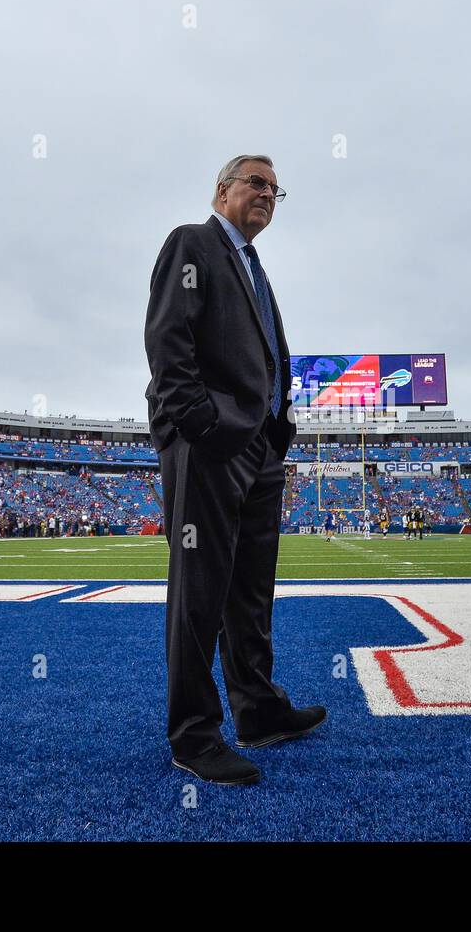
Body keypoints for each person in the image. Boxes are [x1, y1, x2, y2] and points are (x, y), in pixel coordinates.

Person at [144, 153, 325, 786]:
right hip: (211, 442)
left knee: (250, 589)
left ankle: (257, 707)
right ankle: (194, 734)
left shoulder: (253, 266)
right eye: (257, 183)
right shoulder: (192, 243)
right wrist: (202, 425)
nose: (268, 195)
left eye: (277, 190)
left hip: (260, 446)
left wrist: (275, 432)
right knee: (200, 589)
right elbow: (169, 341)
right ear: (222, 189)